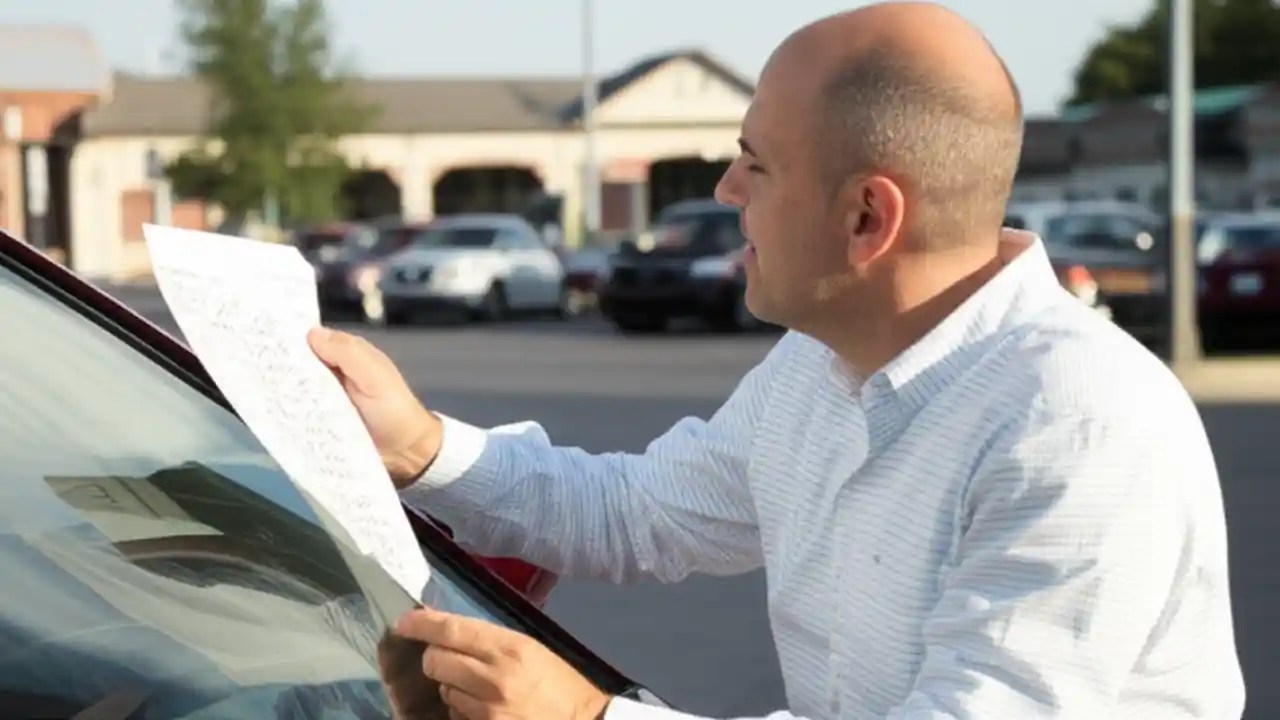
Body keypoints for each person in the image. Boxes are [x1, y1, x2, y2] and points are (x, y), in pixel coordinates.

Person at [310, 2, 1246, 718]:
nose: (725, 191)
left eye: (755, 164)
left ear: (868, 218)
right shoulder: (817, 368)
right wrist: (420, 449)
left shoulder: (1079, 423)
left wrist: (590, 715)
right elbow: (640, 514)